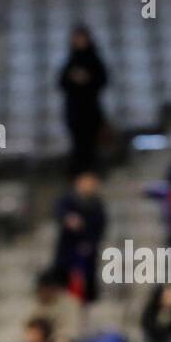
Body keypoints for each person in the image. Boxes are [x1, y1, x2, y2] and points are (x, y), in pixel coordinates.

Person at [57, 25, 108, 174]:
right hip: (74, 112)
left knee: (91, 146)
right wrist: (74, 80)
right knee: (78, 146)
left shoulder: (95, 60)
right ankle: (78, 177)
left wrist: (87, 79)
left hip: (91, 111)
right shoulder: (70, 61)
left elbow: (103, 81)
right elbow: (61, 83)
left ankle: (92, 175)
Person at [52, 171, 107, 304]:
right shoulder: (67, 200)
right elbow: (60, 213)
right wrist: (68, 219)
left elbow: (100, 227)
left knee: (86, 284)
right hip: (67, 249)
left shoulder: (97, 204)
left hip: (87, 251)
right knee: (63, 281)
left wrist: (90, 242)